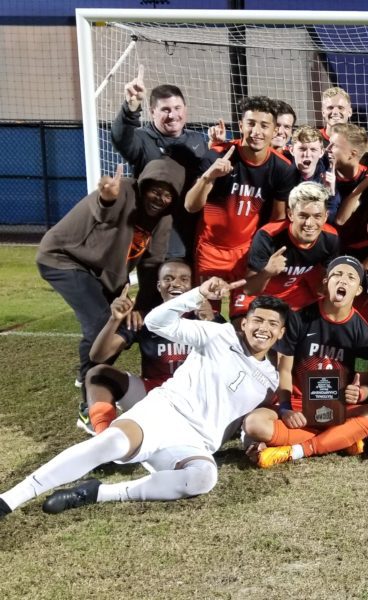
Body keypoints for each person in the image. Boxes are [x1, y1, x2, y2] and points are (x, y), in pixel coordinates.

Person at [0, 279, 286, 518]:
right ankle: (10, 499)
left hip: (195, 443)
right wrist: (198, 294)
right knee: (110, 443)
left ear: (281, 332)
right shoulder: (218, 334)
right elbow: (156, 322)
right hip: (164, 413)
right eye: (257, 320)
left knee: (203, 478)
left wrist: (252, 442)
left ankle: (98, 493)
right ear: (244, 322)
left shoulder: (272, 378)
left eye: (272, 324)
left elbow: (247, 420)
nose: (264, 328)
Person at [37, 157, 184, 386]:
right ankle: (90, 388)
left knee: (124, 324)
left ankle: (92, 376)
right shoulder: (123, 191)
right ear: (144, 186)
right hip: (65, 258)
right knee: (101, 322)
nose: (160, 199)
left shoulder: (163, 218)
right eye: (155, 191)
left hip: (104, 273)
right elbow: (104, 212)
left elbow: (152, 263)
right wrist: (106, 198)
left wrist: (141, 306)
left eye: (167, 195)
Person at [243, 256, 368, 468]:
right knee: (254, 424)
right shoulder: (299, 319)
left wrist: (358, 393)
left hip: (338, 407)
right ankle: (340, 439)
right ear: (326, 282)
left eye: (351, 277)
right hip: (299, 404)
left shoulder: (363, 332)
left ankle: (297, 450)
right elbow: (284, 370)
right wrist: (285, 409)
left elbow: (363, 381)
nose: (343, 280)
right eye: (337, 274)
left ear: (358, 290)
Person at [110, 67, 212, 309]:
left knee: (189, 298)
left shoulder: (197, 141)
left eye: (177, 108)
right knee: (153, 296)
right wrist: (130, 108)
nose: (172, 115)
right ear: (152, 112)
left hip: (190, 232)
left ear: (185, 109)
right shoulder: (142, 139)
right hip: (155, 236)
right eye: (165, 109)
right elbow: (121, 138)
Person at [84, 259, 219, 434]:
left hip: (196, 399)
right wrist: (114, 319)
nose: (175, 283)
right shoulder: (144, 318)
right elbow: (98, 356)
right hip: (153, 395)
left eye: (184, 279)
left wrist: (211, 323)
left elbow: (233, 363)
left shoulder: (208, 317)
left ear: (192, 287)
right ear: (158, 286)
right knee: (97, 374)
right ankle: (103, 435)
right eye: (168, 279)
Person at [185, 96, 297, 285]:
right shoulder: (217, 155)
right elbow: (190, 206)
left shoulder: (282, 168)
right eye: (251, 124)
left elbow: (277, 219)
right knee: (207, 304)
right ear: (240, 125)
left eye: (264, 125)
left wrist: (263, 253)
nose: (256, 132)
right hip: (210, 249)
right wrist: (209, 176)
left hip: (247, 251)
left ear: (274, 130)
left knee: (247, 305)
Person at [235, 181, 341, 317]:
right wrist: (268, 272)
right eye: (303, 216)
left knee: (323, 318)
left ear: (325, 216)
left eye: (317, 216)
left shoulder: (330, 238)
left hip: (293, 293)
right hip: (258, 293)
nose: (309, 223)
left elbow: (321, 289)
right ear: (290, 214)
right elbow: (249, 289)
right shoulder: (268, 236)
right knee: (244, 327)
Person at [325, 122, 368, 225]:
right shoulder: (321, 173)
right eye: (329, 143)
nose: (327, 149)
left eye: (334, 145)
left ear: (352, 154)